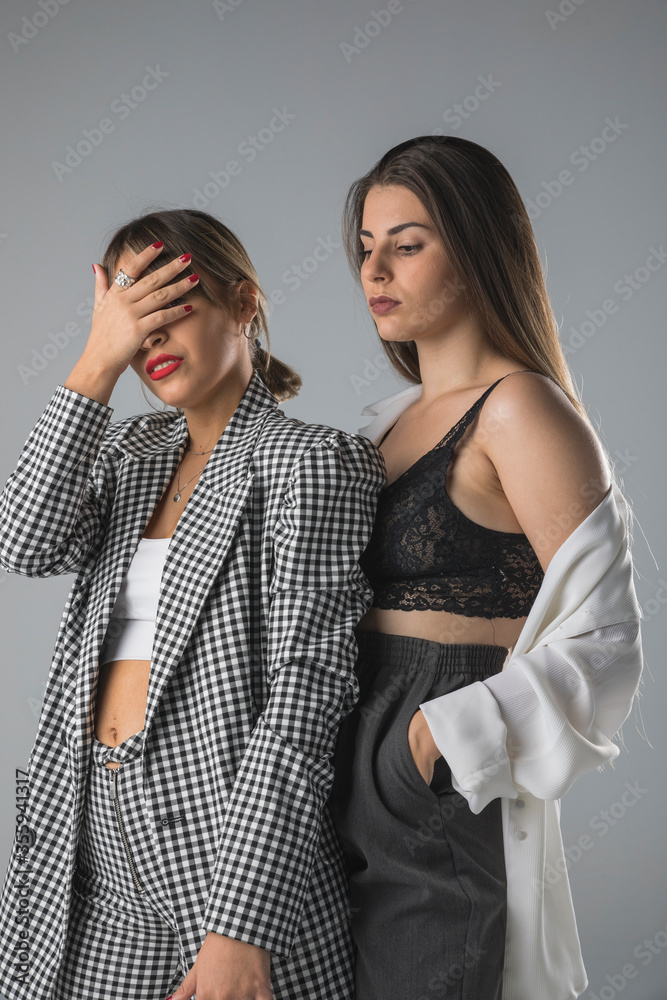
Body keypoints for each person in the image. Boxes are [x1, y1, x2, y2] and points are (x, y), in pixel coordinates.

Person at [0, 208, 385, 1000]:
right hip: (92, 865)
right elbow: (23, 545)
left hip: (227, 872)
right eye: (128, 318)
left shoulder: (311, 463)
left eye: (170, 306)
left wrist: (238, 928)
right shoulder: (126, 458)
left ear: (244, 304)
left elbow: (305, 700)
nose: (150, 340)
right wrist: (94, 366)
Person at [331, 136, 643, 1000]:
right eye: (365, 248)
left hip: (423, 758)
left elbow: (607, 638)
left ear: (474, 247)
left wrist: (437, 739)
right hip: (335, 749)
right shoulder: (382, 426)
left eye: (407, 243)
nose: (375, 271)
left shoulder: (520, 410)